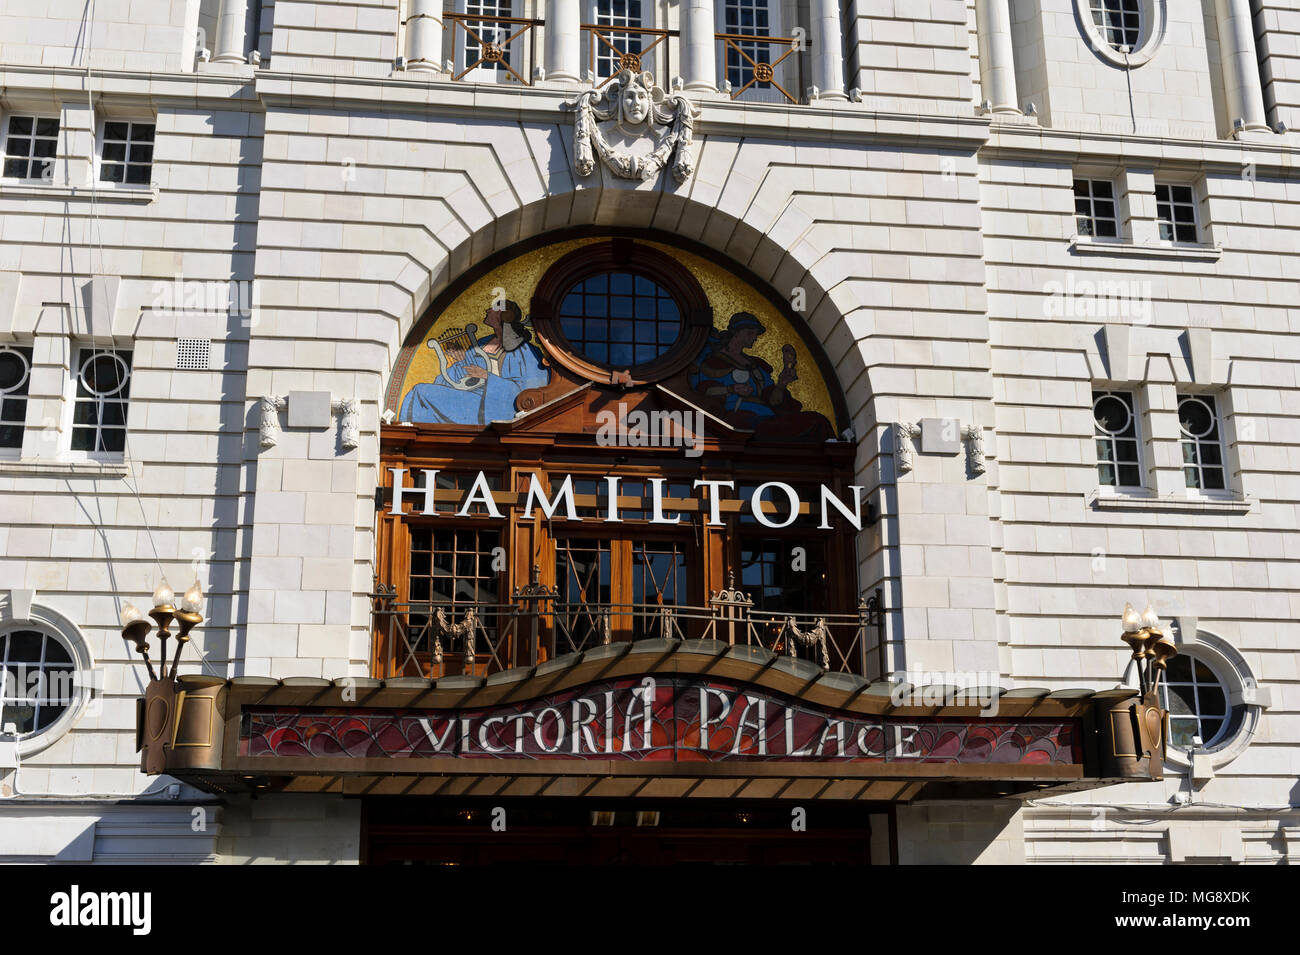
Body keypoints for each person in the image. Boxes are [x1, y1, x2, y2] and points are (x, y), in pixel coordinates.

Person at [400, 301, 549, 425]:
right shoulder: (482, 343)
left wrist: (487, 376)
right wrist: (460, 361)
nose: (487, 309)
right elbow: (461, 377)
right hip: (469, 397)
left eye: (493, 308)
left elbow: (527, 392)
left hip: (489, 404)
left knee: (421, 393)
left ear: (503, 316)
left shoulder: (522, 350)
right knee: (420, 390)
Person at [690, 312, 832, 442]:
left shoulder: (757, 365)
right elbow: (704, 390)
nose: (755, 338)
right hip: (739, 419)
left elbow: (772, 400)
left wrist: (782, 384)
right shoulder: (713, 361)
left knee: (817, 420)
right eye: (750, 333)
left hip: (767, 417)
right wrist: (732, 389)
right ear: (736, 333)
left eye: (756, 334)